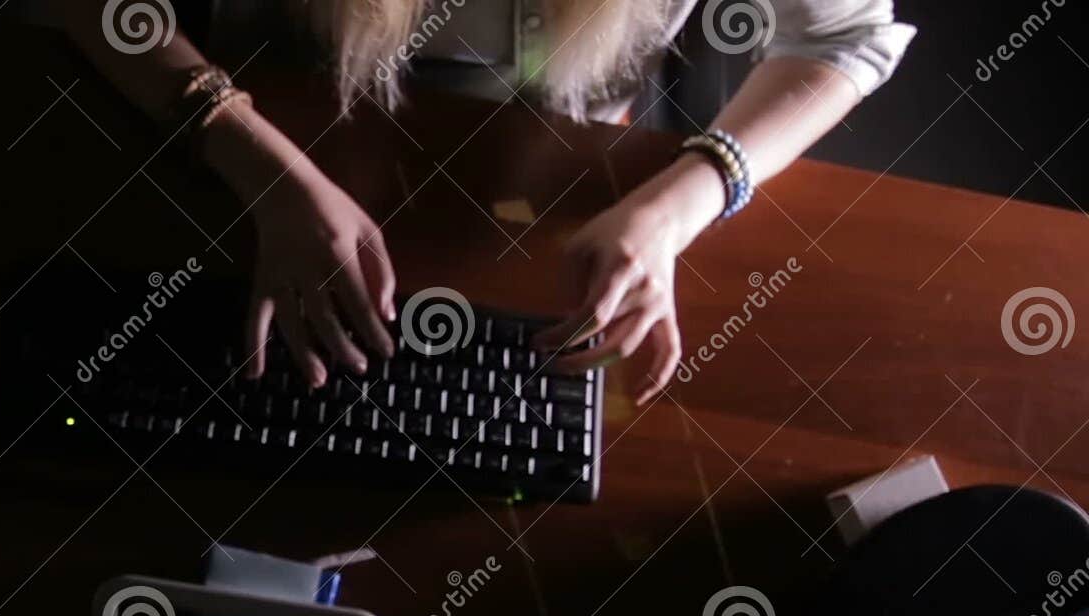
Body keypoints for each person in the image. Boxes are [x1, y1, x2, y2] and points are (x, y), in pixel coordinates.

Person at [52, 1, 913, 403]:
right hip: (236, 136)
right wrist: (256, 161)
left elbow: (848, 38)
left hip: (539, 188)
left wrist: (678, 206)